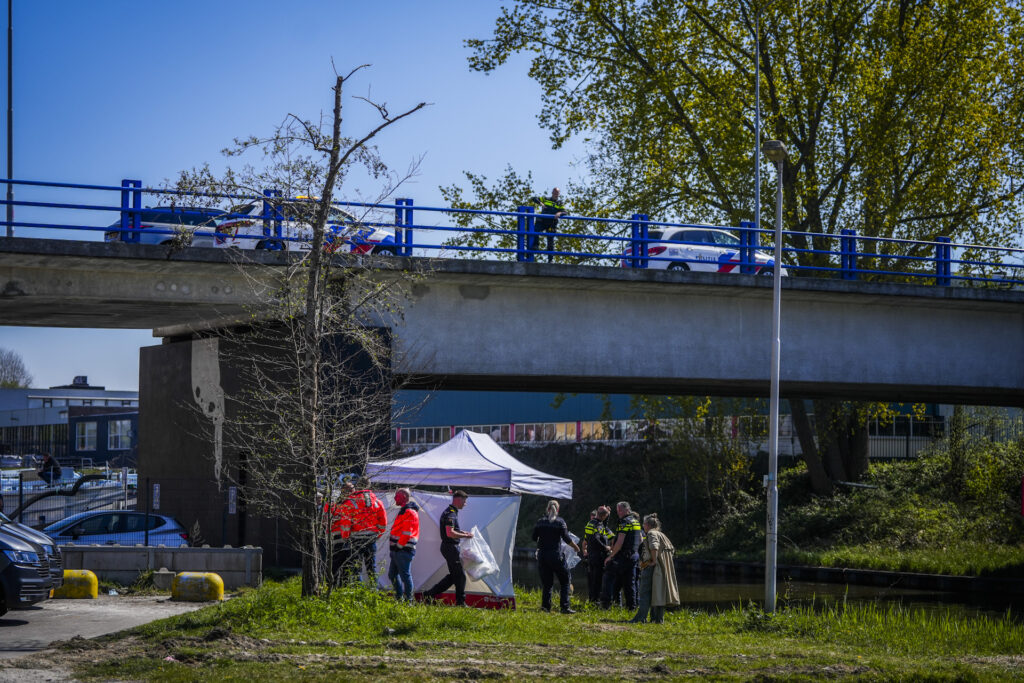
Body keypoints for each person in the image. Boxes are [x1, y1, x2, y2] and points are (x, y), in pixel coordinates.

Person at [422, 490, 474, 606]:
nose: (465, 504)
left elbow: (452, 530)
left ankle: (429, 594)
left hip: (449, 547)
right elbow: (450, 533)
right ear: (458, 499)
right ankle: (460, 602)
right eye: (464, 501)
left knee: (454, 576)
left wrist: (462, 532)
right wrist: (465, 536)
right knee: (460, 576)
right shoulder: (450, 514)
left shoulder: (452, 512)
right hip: (450, 547)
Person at [629, 513, 680, 624]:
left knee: (644, 592)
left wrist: (654, 561)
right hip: (662, 569)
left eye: (644, 524)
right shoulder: (662, 534)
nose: (643, 526)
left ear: (647, 525)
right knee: (658, 592)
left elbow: (654, 546)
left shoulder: (651, 533)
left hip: (651, 566)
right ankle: (657, 619)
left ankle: (641, 618)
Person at [335, 478, 387, 584]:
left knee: (356, 567)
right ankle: (374, 592)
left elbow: (345, 523)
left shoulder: (350, 502)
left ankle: (359, 592)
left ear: (357, 486)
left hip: (356, 539)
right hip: (371, 538)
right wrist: (378, 534)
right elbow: (383, 522)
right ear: (369, 486)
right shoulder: (377, 501)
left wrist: (346, 537)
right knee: (371, 567)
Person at [532, 500, 581, 613]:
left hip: (542, 556)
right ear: (557, 510)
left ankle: (545, 608)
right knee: (564, 581)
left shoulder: (540, 522)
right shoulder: (560, 522)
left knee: (547, 584)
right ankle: (565, 607)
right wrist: (575, 547)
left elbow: (534, 537)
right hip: (555, 556)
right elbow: (566, 538)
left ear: (547, 509)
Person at [601, 501, 642, 610]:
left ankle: (606, 605)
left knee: (608, 575)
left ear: (627, 510)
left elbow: (619, 542)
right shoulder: (636, 522)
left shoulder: (624, 522)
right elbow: (640, 539)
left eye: (620, 510)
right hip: (634, 556)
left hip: (624, 556)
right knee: (629, 583)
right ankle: (631, 608)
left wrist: (610, 556)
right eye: (617, 510)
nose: (618, 512)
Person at [387, 488, 420, 603]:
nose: (395, 498)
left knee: (405, 576)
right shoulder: (404, 511)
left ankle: (408, 600)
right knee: (392, 575)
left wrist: (399, 546)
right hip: (398, 549)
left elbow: (407, 533)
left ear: (404, 497)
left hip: (403, 550)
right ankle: (400, 597)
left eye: (397, 495)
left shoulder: (408, 512)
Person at [582, 505, 615, 603]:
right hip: (596, 556)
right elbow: (594, 539)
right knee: (596, 580)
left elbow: (604, 525)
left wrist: (608, 514)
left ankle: (595, 600)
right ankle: (595, 601)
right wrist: (606, 547)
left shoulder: (597, 523)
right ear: (603, 516)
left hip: (595, 555)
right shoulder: (594, 524)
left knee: (596, 579)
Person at [529, 188, 566, 262]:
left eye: (557, 193)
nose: (556, 194)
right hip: (542, 221)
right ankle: (536, 246)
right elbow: (534, 198)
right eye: (555, 192)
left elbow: (565, 212)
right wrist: (541, 203)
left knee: (550, 241)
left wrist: (559, 213)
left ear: (559, 194)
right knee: (535, 231)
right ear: (552, 192)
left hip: (552, 224)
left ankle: (550, 259)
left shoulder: (559, 203)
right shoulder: (546, 199)